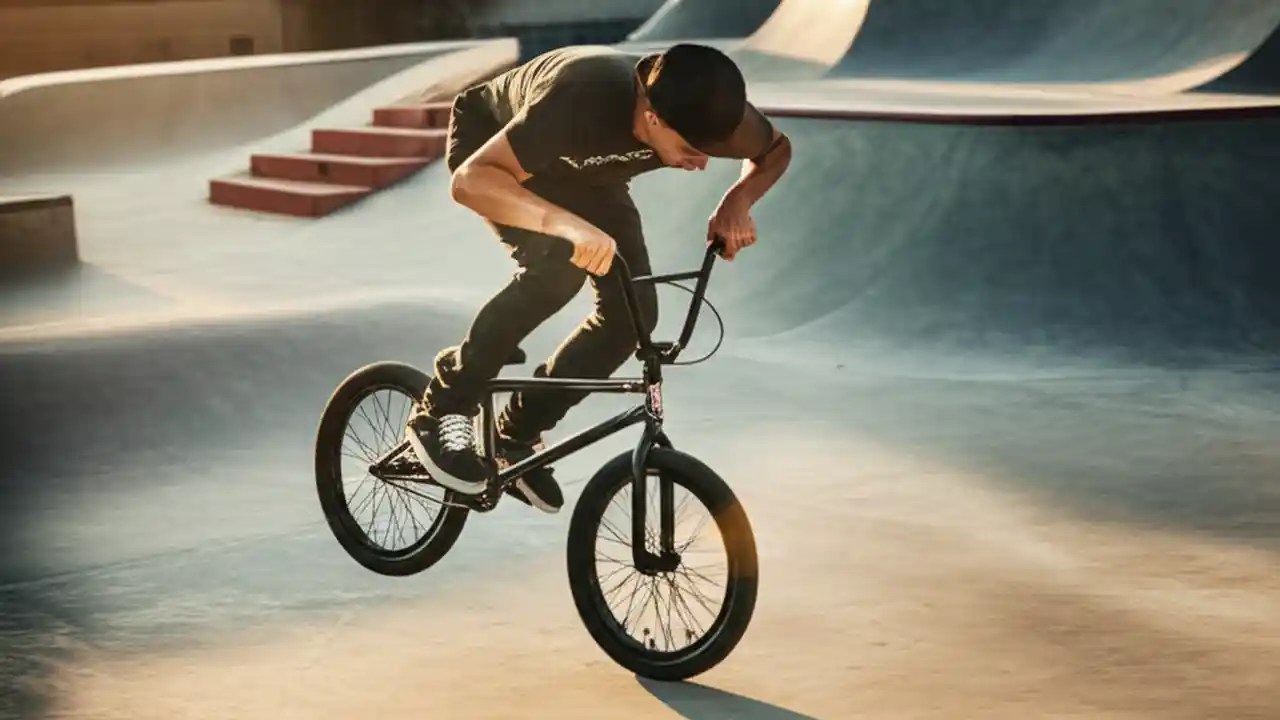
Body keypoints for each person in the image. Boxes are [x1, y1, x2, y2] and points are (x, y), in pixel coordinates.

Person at [405, 43, 793, 514]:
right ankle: (442, 407)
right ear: (652, 118)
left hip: (589, 176)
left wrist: (738, 200)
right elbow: (470, 181)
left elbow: (776, 150)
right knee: (555, 272)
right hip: (496, 155)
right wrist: (566, 226)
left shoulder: (710, 110)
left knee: (634, 314)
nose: (702, 163)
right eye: (691, 150)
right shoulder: (580, 97)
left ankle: (516, 434)